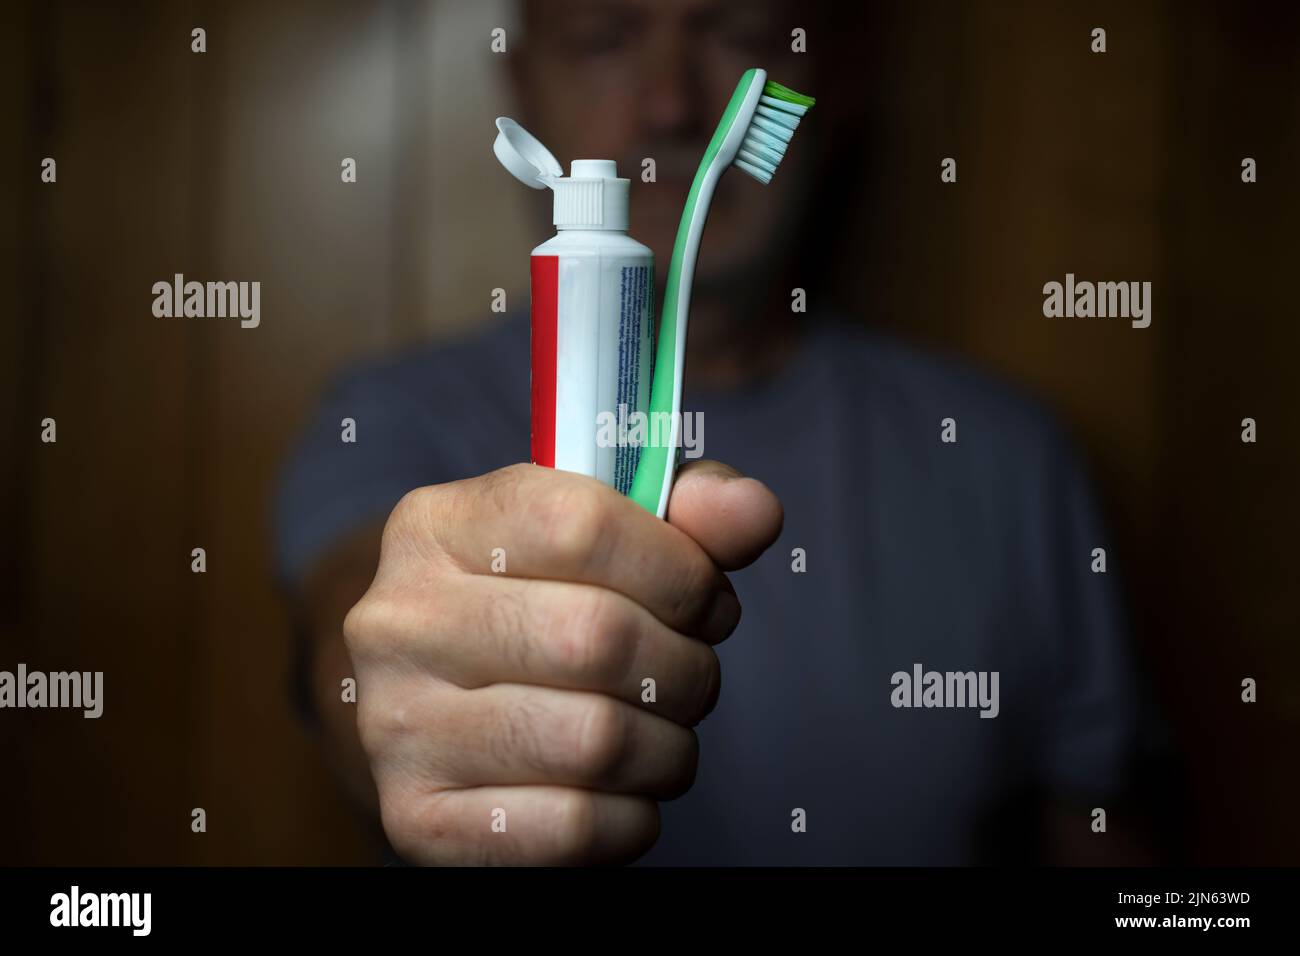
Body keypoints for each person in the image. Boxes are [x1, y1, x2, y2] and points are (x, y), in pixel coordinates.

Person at [274, 0, 1153, 865]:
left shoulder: (1010, 459)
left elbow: (1102, 835)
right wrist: (405, 697)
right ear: (521, 81)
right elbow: (352, 627)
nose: (672, 104)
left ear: (834, 74)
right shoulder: (386, 419)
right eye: (605, 37)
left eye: (738, 32)